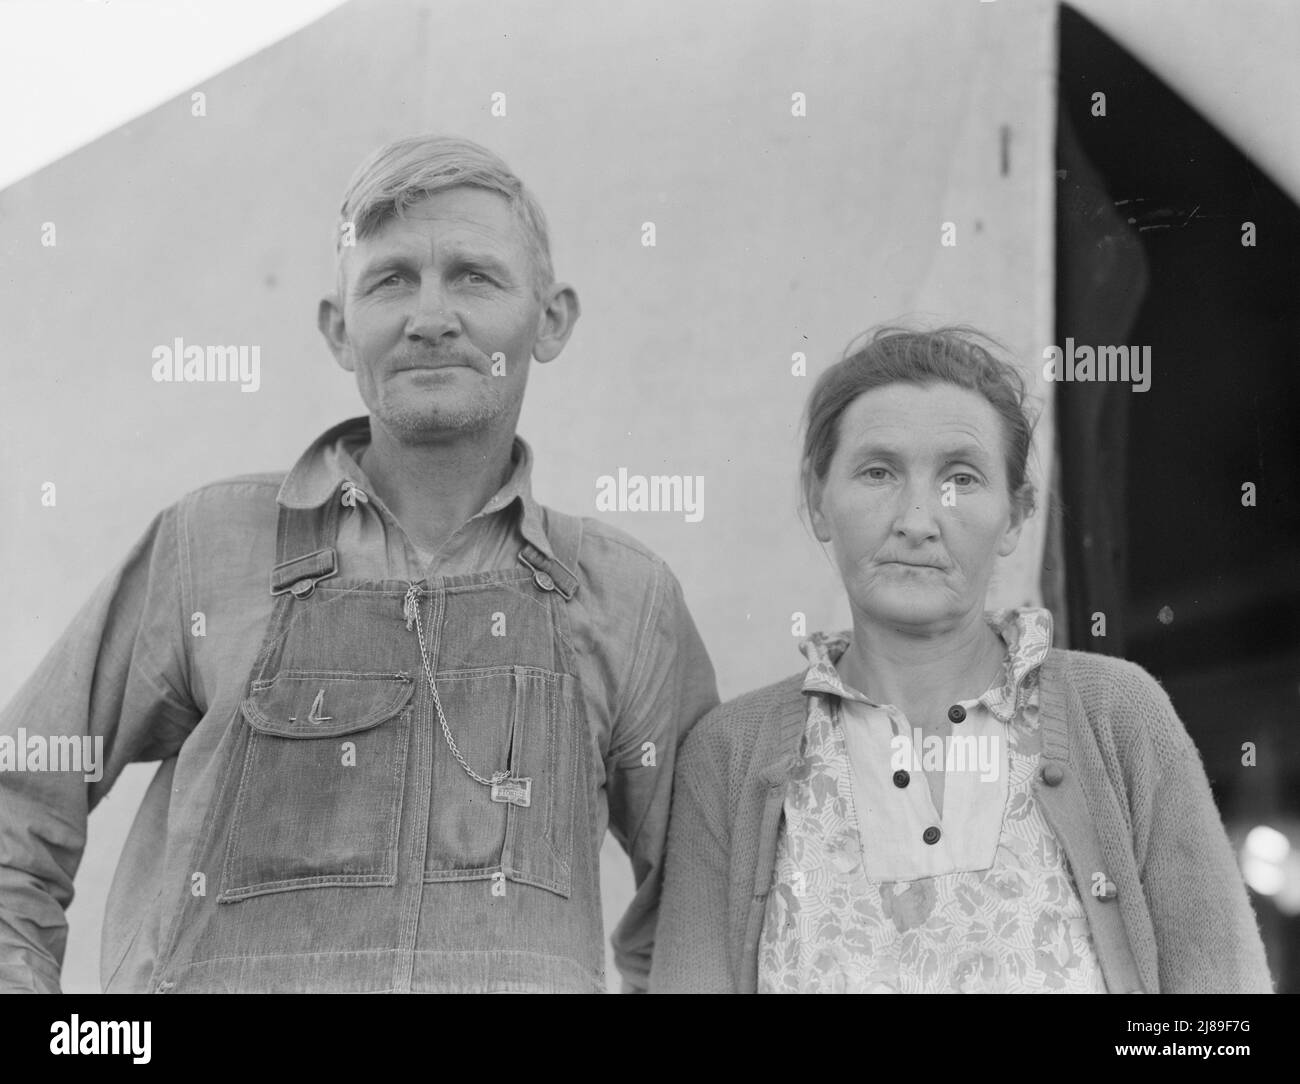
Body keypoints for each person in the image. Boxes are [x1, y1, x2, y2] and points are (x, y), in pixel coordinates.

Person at [0, 135, 718, 993]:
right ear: (340, 330)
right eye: (390, 280)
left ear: (551, 318)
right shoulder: (210, 546)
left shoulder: (626, 597)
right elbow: (21, 795)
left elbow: (700, 903)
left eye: (474, 276)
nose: (430, 316)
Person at [649, 326, 1272, 994]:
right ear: (818, 500)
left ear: (1014, 516)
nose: (918, 518)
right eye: (878, 471)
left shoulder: (1118, 716)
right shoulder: (730, 757)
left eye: (961, 477)